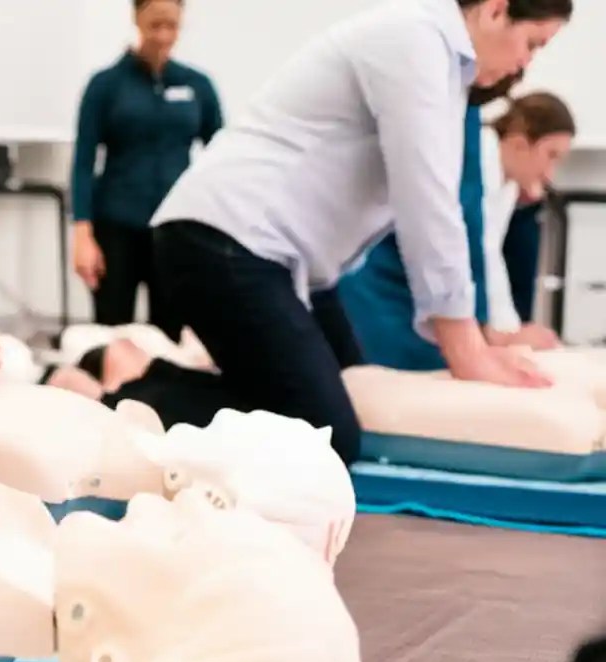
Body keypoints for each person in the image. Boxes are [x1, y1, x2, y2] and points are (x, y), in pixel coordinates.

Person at [148, 0, 572, 465]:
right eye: (532, 43)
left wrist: (484, 339)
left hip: (285, 265)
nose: (526, 63)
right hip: (223, 242)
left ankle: (154, 378)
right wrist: (468, 350)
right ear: (495, 10)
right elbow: (426, 203)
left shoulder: (448, 76)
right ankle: (125, 392)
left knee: (362, 401)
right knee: (327, 435)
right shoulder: (415, 40)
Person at [341, 90, 575, 369]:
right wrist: (501, 335)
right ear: (519, 145)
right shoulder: (479, 159)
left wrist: (509, 331)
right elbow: (475, 251)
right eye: (551, 155)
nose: (550, 172)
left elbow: (490, 257)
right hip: (377, 284)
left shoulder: (506, 184)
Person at [70, 0, 222, 339]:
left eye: (172, 26)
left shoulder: (197, 86)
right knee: (112, 334)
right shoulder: (106, 86)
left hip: (174, 229)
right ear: (136, 18)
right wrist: (82, 233)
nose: (164, 35)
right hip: (116, 226)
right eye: (155, 25)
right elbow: (83, 161)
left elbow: (220, 158)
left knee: (170, 334)